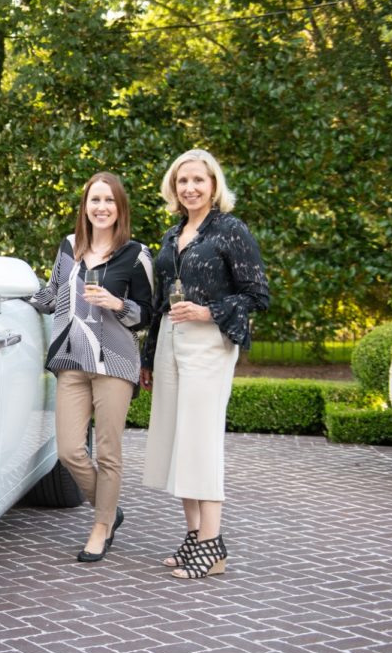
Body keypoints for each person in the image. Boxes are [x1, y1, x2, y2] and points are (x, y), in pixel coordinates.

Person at [139, 149, 269, 579]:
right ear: (172, 188)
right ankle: (194, 535)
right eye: (182, 181)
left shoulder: (230, 230)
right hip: (170, 342)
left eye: (198, 180)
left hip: (208, 343)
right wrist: (149, 357)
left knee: (201, 441)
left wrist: (208, 310)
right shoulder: (171, 233)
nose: (190, 188)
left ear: (214, 184)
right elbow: (160, 303)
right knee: (178, 441)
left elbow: (257, 296)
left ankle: (212, 544)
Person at [29, 172, 154, 562]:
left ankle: (100, 528)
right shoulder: (69, 247)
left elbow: (148, 314)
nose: (101, 208)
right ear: (85, 206)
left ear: (120, 209)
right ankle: (109, 510)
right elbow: (51, 295)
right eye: (95, 200)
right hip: (72, 358)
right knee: (69, 450)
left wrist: (118, 304)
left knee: (108, 450)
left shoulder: (137, 254)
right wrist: (12, 301)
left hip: (115, 361)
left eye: (109, 201)